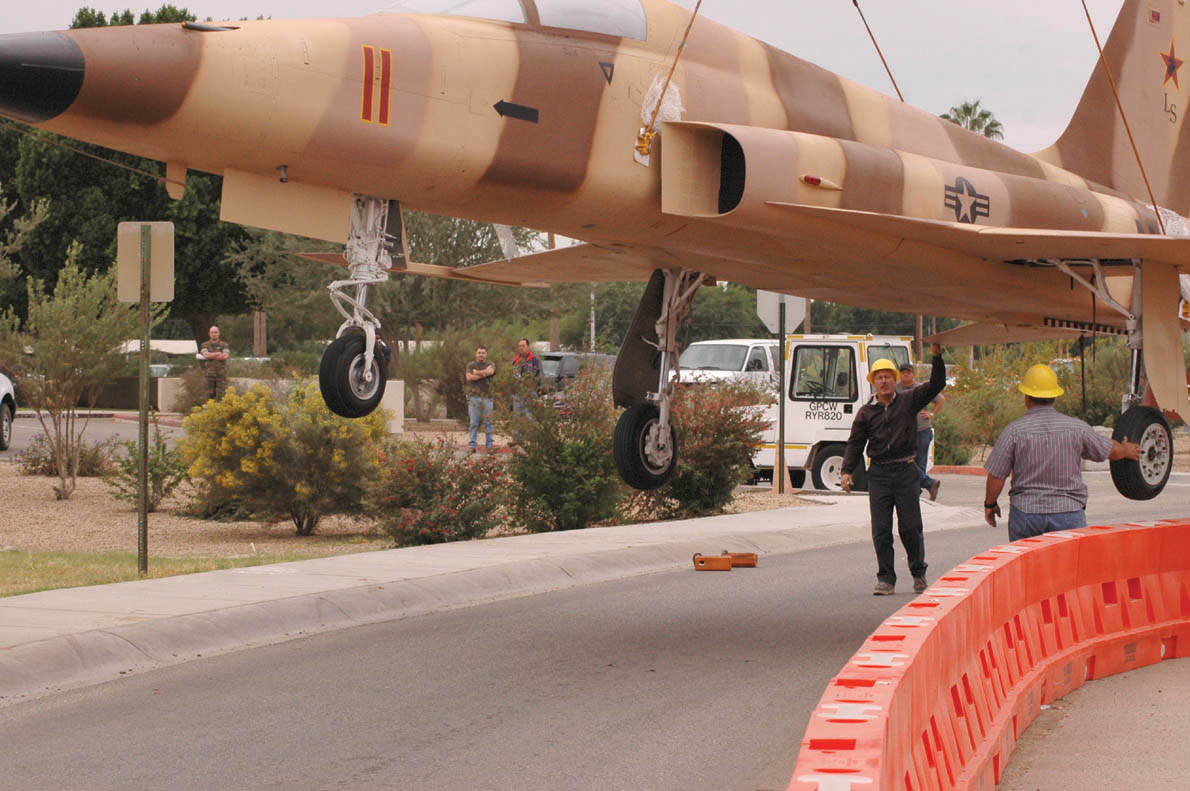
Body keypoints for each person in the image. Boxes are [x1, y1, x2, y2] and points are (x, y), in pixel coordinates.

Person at [983, 364, 1141, 540]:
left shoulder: (1013, 431)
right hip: (1069, 514)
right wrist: (1126, 450)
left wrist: (990, 504)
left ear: (1026, 397)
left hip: (1026, 515)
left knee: (1029, 568)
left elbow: (997, 475)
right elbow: (1110, 450)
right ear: (1054, 396)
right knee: (1070, 567)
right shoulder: (1076, 428)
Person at [841, 343, 946, 596]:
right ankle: (886, 579)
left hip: (906, 471)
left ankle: (918, 573)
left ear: (895, 380)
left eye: (888, 377)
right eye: (880, 377)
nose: (884, 381)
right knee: (881, 529)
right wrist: (846, 471)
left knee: (910, 527)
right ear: (873, 382)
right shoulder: (866, 413)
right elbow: (855, 443)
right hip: (878, 474)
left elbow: (936, 385)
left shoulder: (909, 401)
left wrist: (937, 356)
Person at [895, 362, 945, 501]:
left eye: (908, 372)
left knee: (920, 463)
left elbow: (940, 399)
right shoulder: (896, 388)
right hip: (904, 432)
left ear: (913, 374)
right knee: (907, 461)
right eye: (903, 372)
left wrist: (932, 414)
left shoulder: (921, 388)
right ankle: (929, 484)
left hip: (922, 430)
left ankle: (916, 493)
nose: (906, 374)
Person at [510, 338, 543, 443]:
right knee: (517, 417)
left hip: (530, 392)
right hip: (517, 393)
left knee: (531, 417)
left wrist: (539, 390)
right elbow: (511, 375)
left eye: (523, 346)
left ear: (528, 347)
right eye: (519, 346)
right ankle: (517, 440)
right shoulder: (515, 360)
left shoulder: (535, 359)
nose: (521, 348)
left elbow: (540, 375)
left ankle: (535, 439)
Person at [465, 345, 496, 452]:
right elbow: (469, 377)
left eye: (483, 353)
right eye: (479, 353)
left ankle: (489, 446)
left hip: (487, 398)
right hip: (474, 398)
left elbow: (491, 372)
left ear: (486, 354)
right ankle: (472, 446)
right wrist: (484, 373)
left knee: (488, 423)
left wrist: (476, 373)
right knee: (474, 423)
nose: (481, 355)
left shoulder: (490, 364)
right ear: (476, 354)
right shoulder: (471, 364)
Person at [200, 325, 230, 401]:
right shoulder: (205, 345)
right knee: (209, 397)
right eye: (212, 332)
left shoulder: (224, 345)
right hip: (209, 375)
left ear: (219, 333)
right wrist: (218, 353)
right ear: (209, 334)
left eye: (215, 332)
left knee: (222, 397)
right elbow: (206, 355)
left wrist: (211, 355)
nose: (214, 334)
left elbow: (225, 356)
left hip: (221, 375)